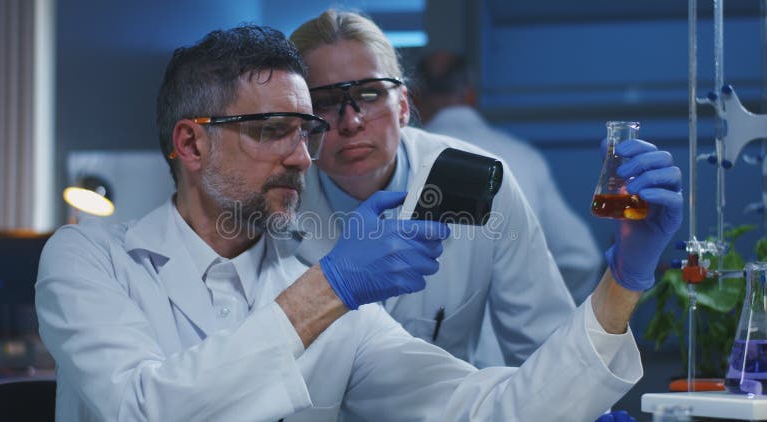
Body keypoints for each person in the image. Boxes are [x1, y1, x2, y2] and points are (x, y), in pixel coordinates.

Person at [35, 24, 681, 421]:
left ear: (404, 105)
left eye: (304, 131)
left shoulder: (332, 305)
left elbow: (493, 410)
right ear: (192, 143)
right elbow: (142, 412)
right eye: (271, 130)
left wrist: (624, 278)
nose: (301, 154)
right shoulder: (91, 258)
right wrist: (331, 289)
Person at [289, 9, 574, 368]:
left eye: (371, 94)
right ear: (298, 120)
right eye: (325, 103)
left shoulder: (482, 182)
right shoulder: (277, 201)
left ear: (404, 106)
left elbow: (546, 352)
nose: (352, 121)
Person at [414, 50, 603, 305]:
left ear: (413, 98)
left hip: (422, 339)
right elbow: (582, 258)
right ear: (471, 95)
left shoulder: (405, 161)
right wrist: (553, 319)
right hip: (514, 340)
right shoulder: (524, 157)